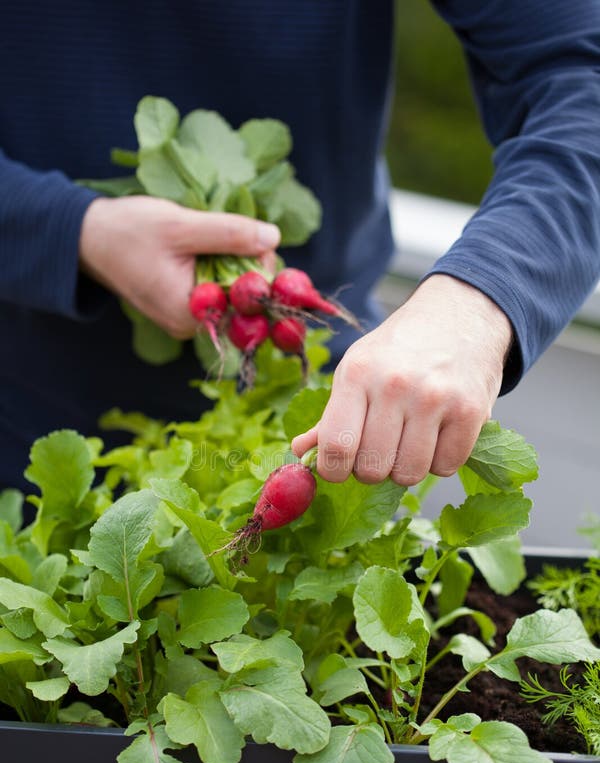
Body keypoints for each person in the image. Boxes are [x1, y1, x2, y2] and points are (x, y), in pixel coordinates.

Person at [1, 1, 599, 494]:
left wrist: (479, 298)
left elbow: (582, 76)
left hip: (316, 410)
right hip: (21, 406)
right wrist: (70, 230)